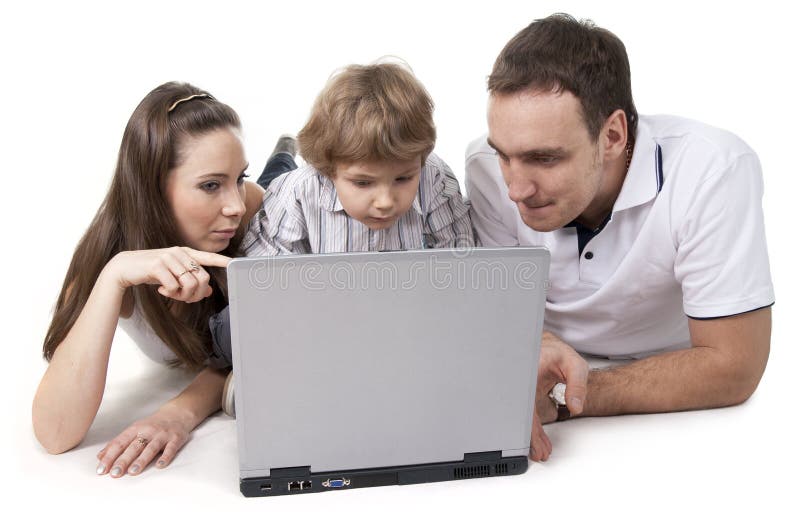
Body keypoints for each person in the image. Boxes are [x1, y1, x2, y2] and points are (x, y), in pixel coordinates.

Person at [465, 14, 774, 461]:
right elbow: (504, 319)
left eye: (545, 159)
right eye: (505, 156)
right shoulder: (484, 168)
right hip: (533, 382)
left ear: (612, 135)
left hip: (681, 424)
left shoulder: (713, 170)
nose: (515, 189)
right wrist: (537, 354)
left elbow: (734, 367)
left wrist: (567, 398)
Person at [32, 81, 297, 478]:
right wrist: (114, 276)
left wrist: (180, 411)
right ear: (152, 190)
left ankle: (282, 153)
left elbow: (265, 345)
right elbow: (55, 434)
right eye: (210, 185)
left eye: (236, 177)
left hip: (276, 193)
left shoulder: (252, 210)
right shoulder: (105, 260)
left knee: (282, 178)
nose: (233, 205)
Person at [207, 61, 475, 414]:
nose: (385, 202)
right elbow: (261, 290)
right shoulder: (298, 192)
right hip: (310, 294)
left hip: (395, 321)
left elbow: (462, 271)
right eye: (363, 183)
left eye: (402, 179)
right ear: (328, 169)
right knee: (228, 331)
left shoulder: (436, 179)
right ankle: (283, 154)